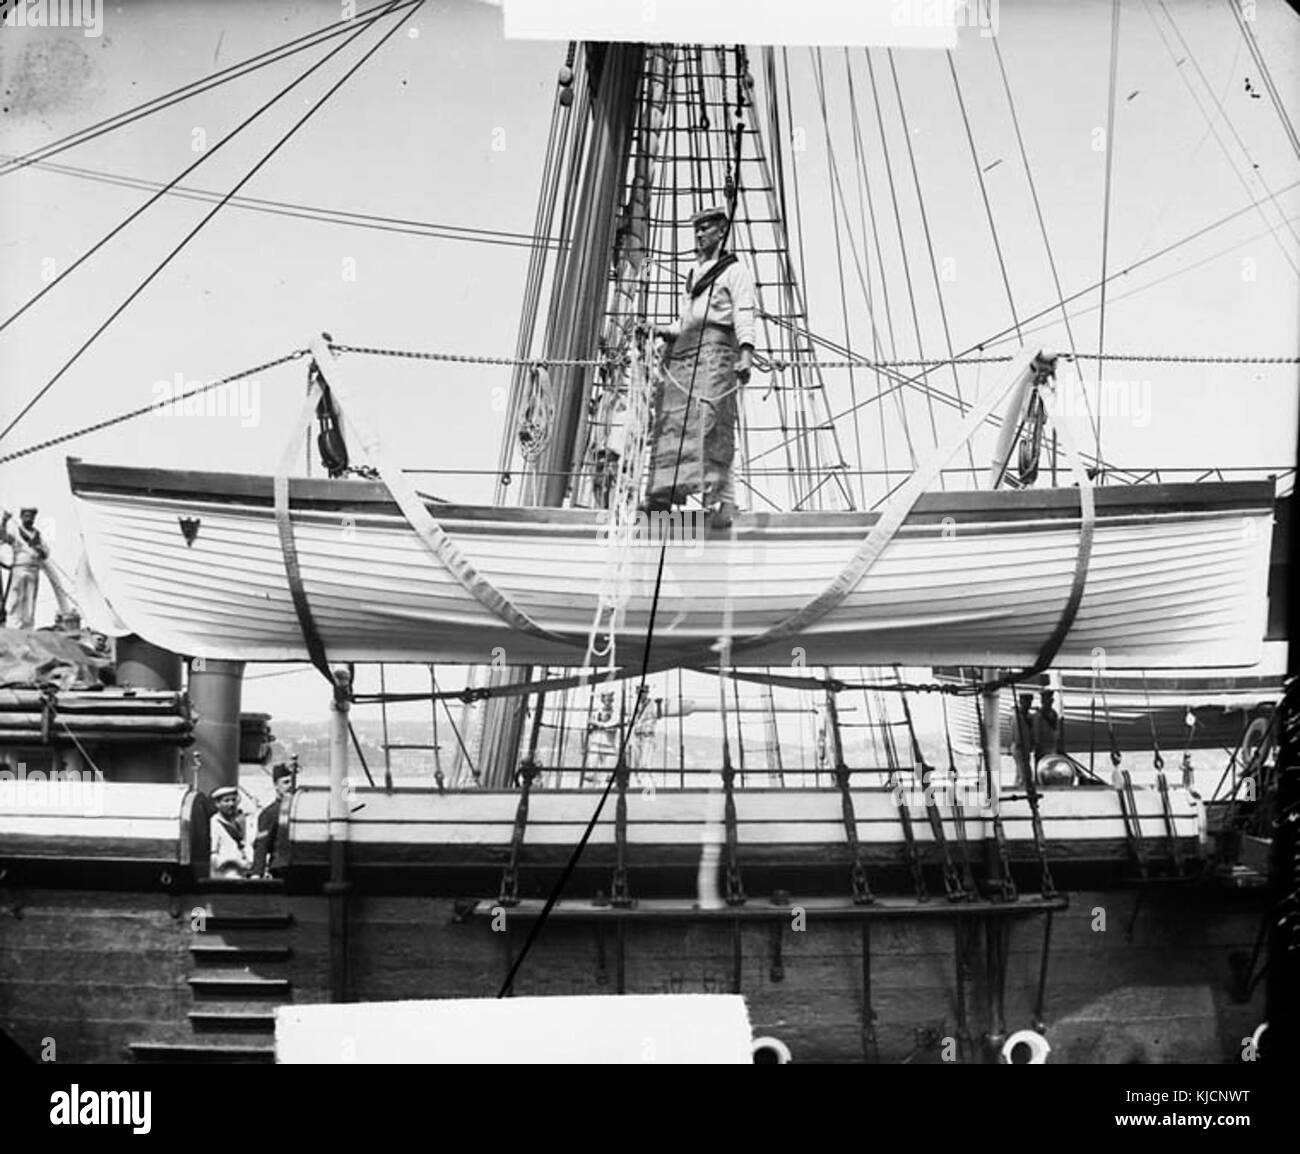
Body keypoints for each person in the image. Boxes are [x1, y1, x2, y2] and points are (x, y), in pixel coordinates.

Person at [644, 204, 756, 528]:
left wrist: (745, 353)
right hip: (684, 355)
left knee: (711, 422)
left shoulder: (734, 271)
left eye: (705, 228)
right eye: (697, 229)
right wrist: (660, 330)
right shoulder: (695, 273)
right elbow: (685, 321)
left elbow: (744, 312)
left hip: (716, 354)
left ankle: (720, 503)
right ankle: (661, 500)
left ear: (721, 232)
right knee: (671, 424)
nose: (698, 234)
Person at [1, 508, 49, 630]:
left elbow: (46, 553)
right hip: (19, 568)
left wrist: (38, 548)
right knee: (16, 598)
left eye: (31, 516)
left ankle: (28, 626)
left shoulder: (37, 535)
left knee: (30, 599)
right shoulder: (16, 532)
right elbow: (3, 536)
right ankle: (13, 625)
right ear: (21, 517)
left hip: (33, 570)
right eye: (26, 516)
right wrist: (4, 521)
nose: (29, 519)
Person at [252, 761, 296, 877]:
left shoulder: (299, 810)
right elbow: (262, 845)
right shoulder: (270, 813)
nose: (290, 785)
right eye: (285, 782)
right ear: (276, 785)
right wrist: (257, 873)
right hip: (280, 867)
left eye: (292, 781)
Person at [209, 785, 252, 879]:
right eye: (226, 801)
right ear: (217, 804)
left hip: (240, 874)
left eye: (233, 800)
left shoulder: (236, 823)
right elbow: (213, 854)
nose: (231, 804)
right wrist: (233, 862)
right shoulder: (215, 823)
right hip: (224, 876)